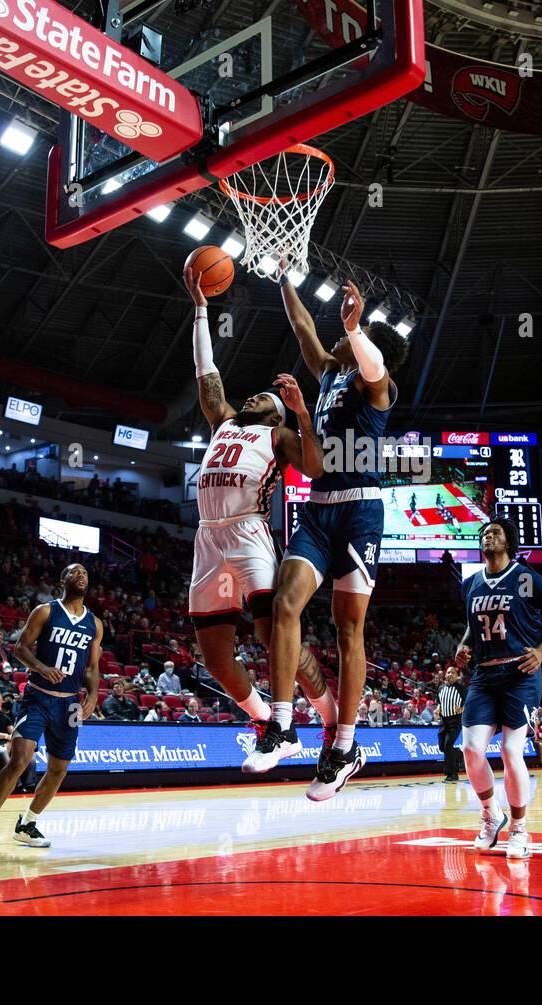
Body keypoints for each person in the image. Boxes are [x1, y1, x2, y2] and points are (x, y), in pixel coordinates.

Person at [247, 274, 409, 802]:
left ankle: (343, 747)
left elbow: (374, 366)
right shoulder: (330, 374)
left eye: (346, 338)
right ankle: (281, 724)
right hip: (318, 511)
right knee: (285, 604)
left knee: (347, 632)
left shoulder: (375, 385)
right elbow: (300, 327)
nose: (333, 342)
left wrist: (355, 326)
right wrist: (283, 277)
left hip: (361, 511)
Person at [182, 264, 340, 773]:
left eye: (263, 398)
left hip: (250, 533)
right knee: (216, 659)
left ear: (274, 414)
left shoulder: (278, 436)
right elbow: (207, 378)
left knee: (276, 639)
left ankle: (319, 714)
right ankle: (263, 723)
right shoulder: (224, 422)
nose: (251, 396)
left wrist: (300, 412)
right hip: (207, 540)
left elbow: (316, 467)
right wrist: (202, 308)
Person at [453, 518, 542, 859]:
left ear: (508, 542)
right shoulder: (472, 583)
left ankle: (520, 829)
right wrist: (462, 647)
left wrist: (541, 651)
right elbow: (471, 627)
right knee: (471, 749)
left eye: (495, 533)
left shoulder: (524, 577)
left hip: (519, 673)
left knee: (510, 750)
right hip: (484, 675)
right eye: (484, 534)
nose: (488, 537)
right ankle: (492, 815)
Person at [0, 564, 100, 854]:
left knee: (59, 769)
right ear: (62, 580)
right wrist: (41, 667)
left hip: (70, 704)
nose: (80, 576)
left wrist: (93, 693)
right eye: (74, 572)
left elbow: (92, 666)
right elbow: (20, 648)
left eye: (85, 574)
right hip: (38, 696)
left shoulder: (95, 624)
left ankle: (27, 824)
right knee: (20, 759)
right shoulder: (46, 611)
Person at [436, 667, 466, 780]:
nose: (450, 674)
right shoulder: (441, 688)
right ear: (445, 675)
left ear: (457, 676)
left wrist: (462, 708)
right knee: (441, 746)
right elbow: (439, 702)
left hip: (455, 721)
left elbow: (468, 702)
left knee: (448, 745)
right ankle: (459, 754)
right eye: (448, 672)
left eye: (453, 673)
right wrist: (438, 709)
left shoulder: (461, 688)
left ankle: (452, 774)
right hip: (444, 721)